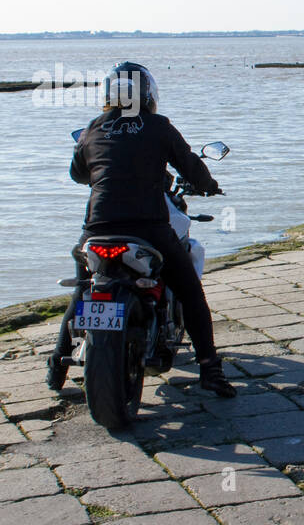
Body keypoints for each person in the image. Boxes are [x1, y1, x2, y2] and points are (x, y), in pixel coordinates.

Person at [47, 61, 236, 399]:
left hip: (97, 230)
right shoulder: (159, 127)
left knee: (82, 288)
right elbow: (191, 166)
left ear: (110, 94)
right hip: (148, 229)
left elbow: (78, 174)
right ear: (148, 94)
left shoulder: (94, 127)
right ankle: (209, 368)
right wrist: (209, 184)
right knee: (191, 292)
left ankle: (56, 368)